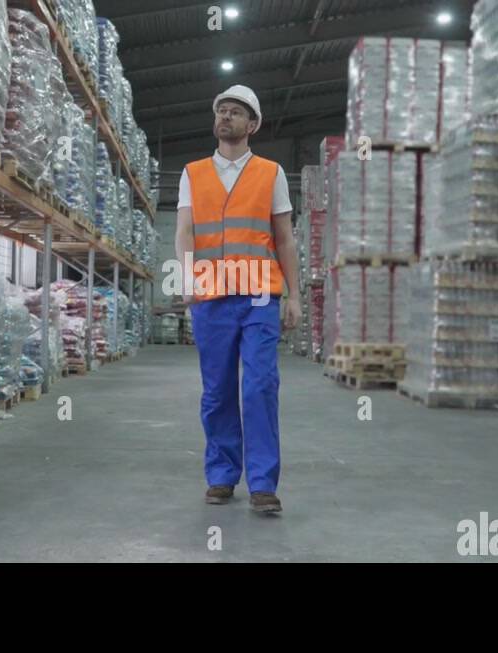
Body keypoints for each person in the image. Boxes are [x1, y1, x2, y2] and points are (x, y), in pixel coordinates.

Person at [175, 85, 302, 514]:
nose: (225, 117)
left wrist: (295, 295)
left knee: (261, 385)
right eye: (221, 111)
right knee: (217, 391)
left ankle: (263, 483)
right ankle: (222, 475)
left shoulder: (272, 173)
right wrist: (187, 276)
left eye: (235, 112)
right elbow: (185, 232)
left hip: (259, 295)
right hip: (211, 294)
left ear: (253, 124)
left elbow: (285, 239)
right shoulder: (192, 173)